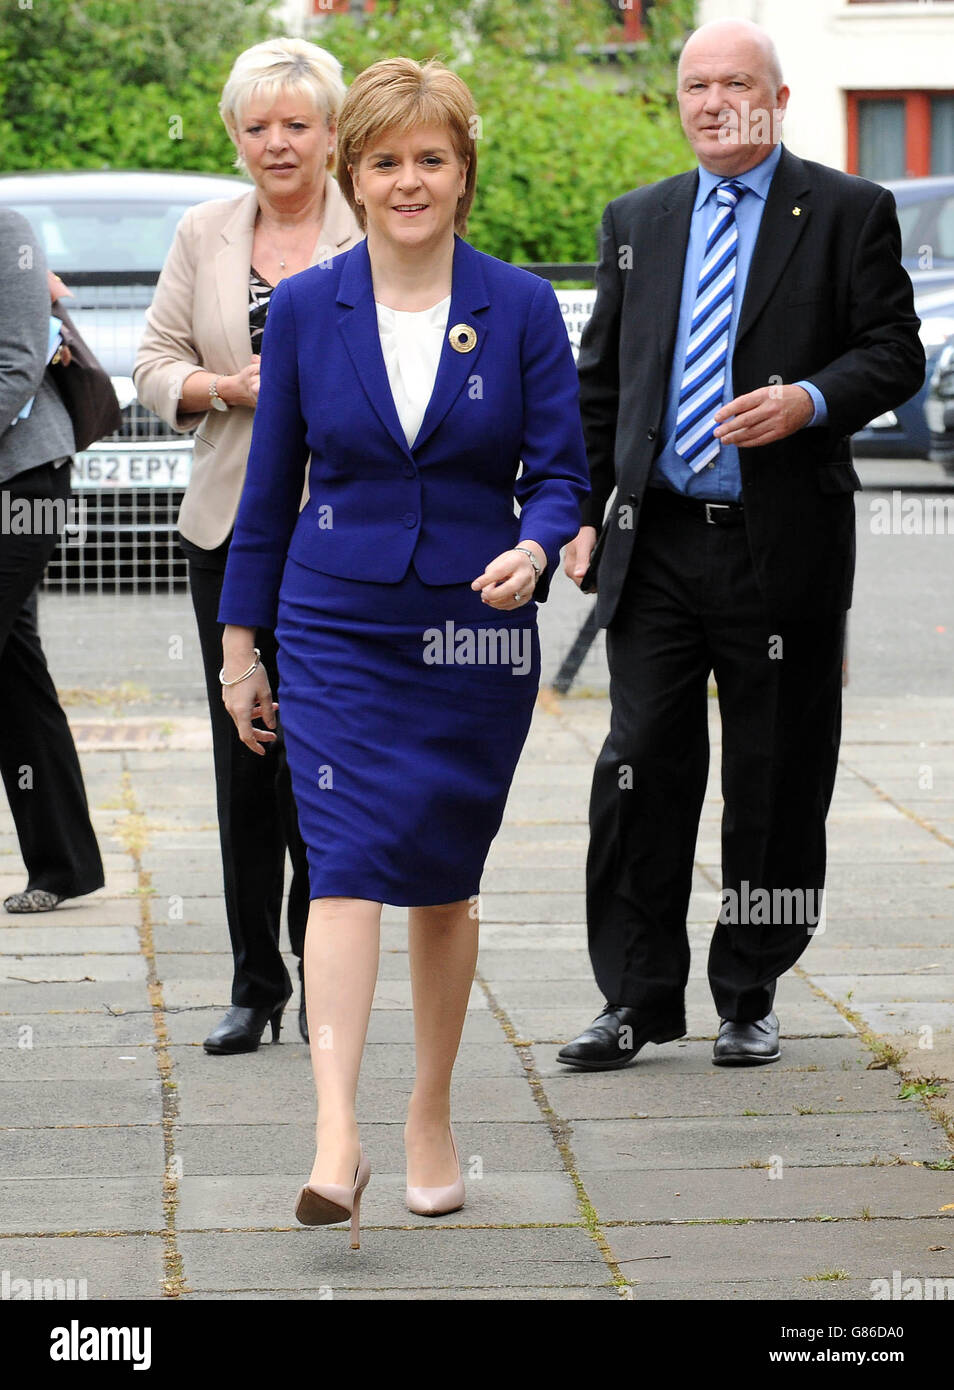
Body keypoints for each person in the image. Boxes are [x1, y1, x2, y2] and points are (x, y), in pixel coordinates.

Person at [217, 57, 589, 1245]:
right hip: (336, 626)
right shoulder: (311, 308)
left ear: (463, 174)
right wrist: (240, 647)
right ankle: (337, 1132)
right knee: (344, 863)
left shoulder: (522, 305)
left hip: (473, 634)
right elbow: (268, 493)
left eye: (432, 158)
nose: (409, 179)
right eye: (385, 160)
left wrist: (535, 551)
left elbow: (563, 475)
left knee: (441, 875)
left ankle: (429, 1113)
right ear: (353, 174)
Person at [559, 19, 924, 1072]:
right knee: (639, 766)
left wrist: (809, 399)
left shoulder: (849, 210)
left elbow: (894, 352)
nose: (713, 101)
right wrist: (583, 512)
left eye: (735, 85)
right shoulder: (639, 219)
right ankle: (634, 998)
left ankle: (749, 987)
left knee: (776, 777)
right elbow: (602, 383)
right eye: (694, 86)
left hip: (782, 547)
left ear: (778, 96)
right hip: (659, 543)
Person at [133, 38, 363, 1054]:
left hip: (352, 530)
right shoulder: (204, 230)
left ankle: (328, 977)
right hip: (231, 525)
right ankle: (252, 981)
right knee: (247, 752)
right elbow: (151, 362)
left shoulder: (376, 220)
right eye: (258, 125)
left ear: (330, 133)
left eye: (297, 124)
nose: (278, 142)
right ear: (235, 135)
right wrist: (224, 389)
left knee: (331, 758)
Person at [0, 208, 104, 914]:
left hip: (20, 481)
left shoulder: (8, 230)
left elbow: (17, 363)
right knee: (14, 672)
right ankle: (63, 863)